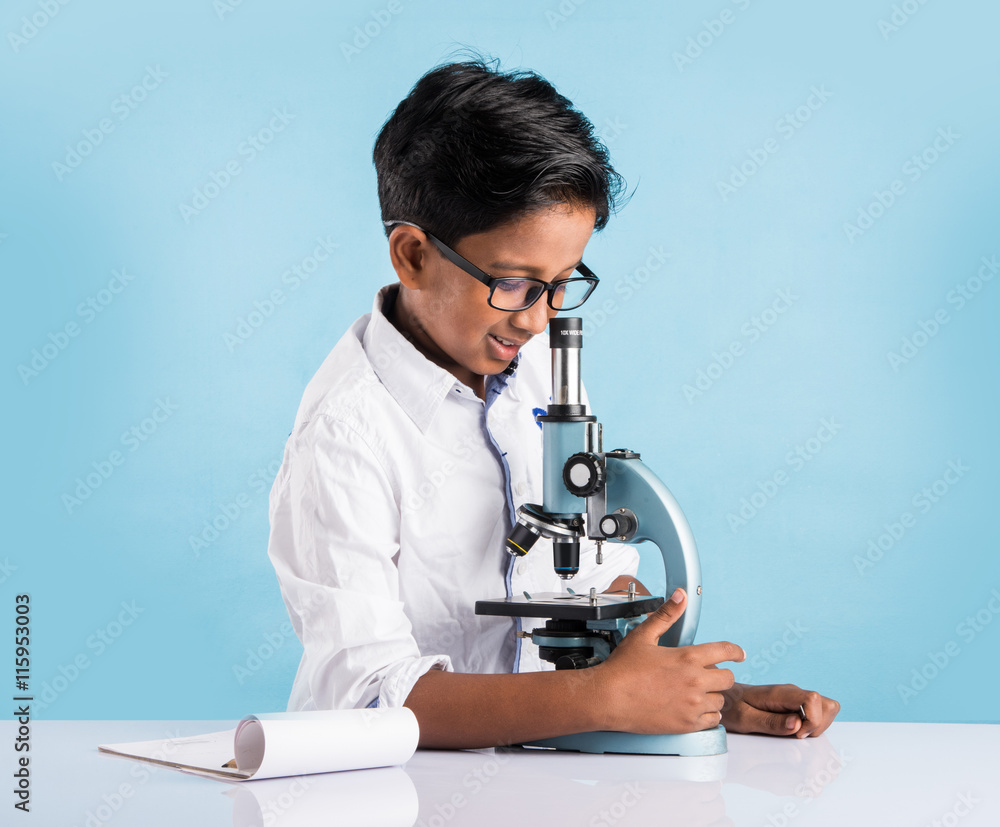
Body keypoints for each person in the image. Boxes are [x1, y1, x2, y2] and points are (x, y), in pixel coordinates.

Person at [267, 57, 840, 749]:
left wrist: (706, 698)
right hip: (396, 793)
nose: (538, 319)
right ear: (413, 255)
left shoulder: (535, 367)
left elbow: (586, 582)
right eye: (515, 284)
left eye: (564, 283)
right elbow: (366, 697)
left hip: (540, 777)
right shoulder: (346, 432)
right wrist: (603, 696)